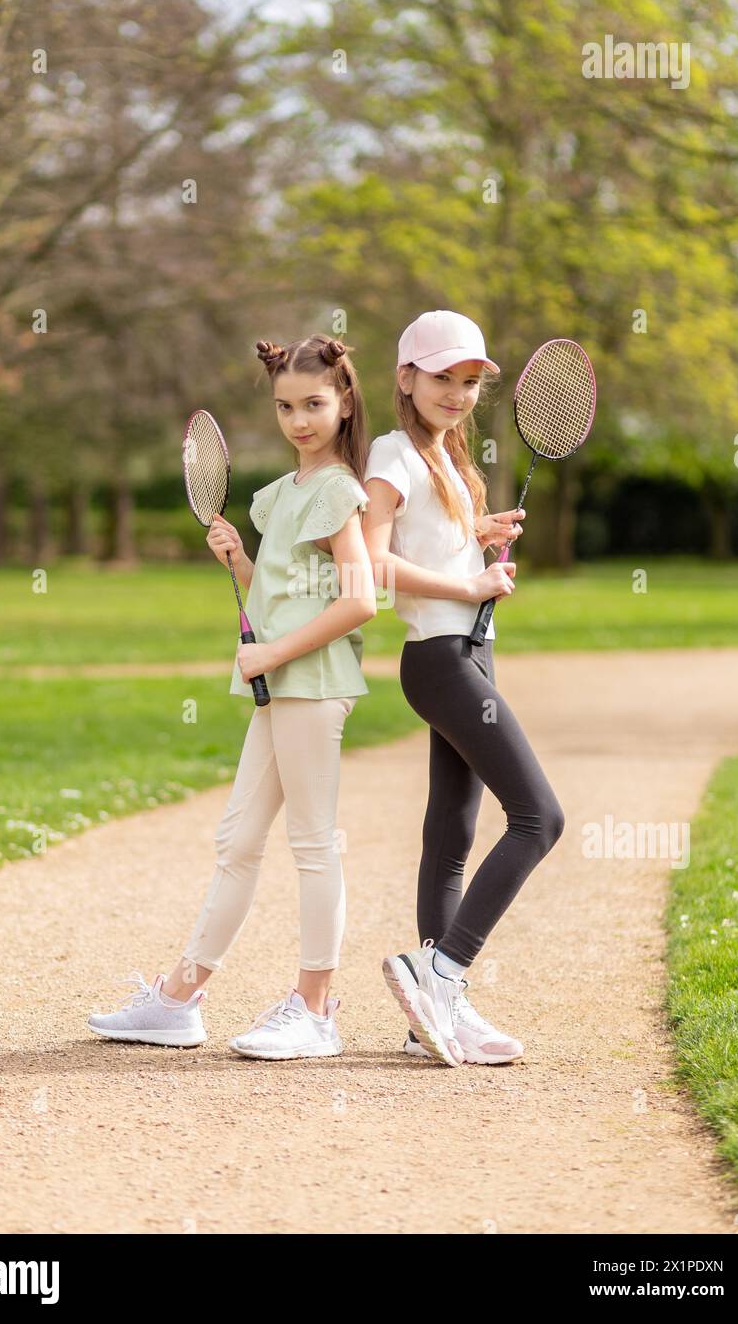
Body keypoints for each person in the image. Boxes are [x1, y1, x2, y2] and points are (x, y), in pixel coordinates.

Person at [88, 334, 376, 1059]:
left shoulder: (341, 490)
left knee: (312, 844)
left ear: (344, 402)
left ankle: (315, 1010)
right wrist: (242, 561)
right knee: (238, 841)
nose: (300, 420)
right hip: (279, 683)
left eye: (314, 404)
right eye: (286, 407)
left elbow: (361, 601)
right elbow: (281, 597)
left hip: (310, 684)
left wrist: (271, 654)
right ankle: (179, 1000)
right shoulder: (281, 496)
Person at [362, 310, 565, 1066]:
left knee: (452, 832)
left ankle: (430, 1021)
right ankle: (441, 971)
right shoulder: (391, 453)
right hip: (441, 660)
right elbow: (373, 562)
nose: (456, 392)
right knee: (540, 818)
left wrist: (477, 534)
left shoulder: (443, 458)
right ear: (406, 378)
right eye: (441, 377)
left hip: (470, 655)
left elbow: (423, 541)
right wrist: (466, 578)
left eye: (470, 381)